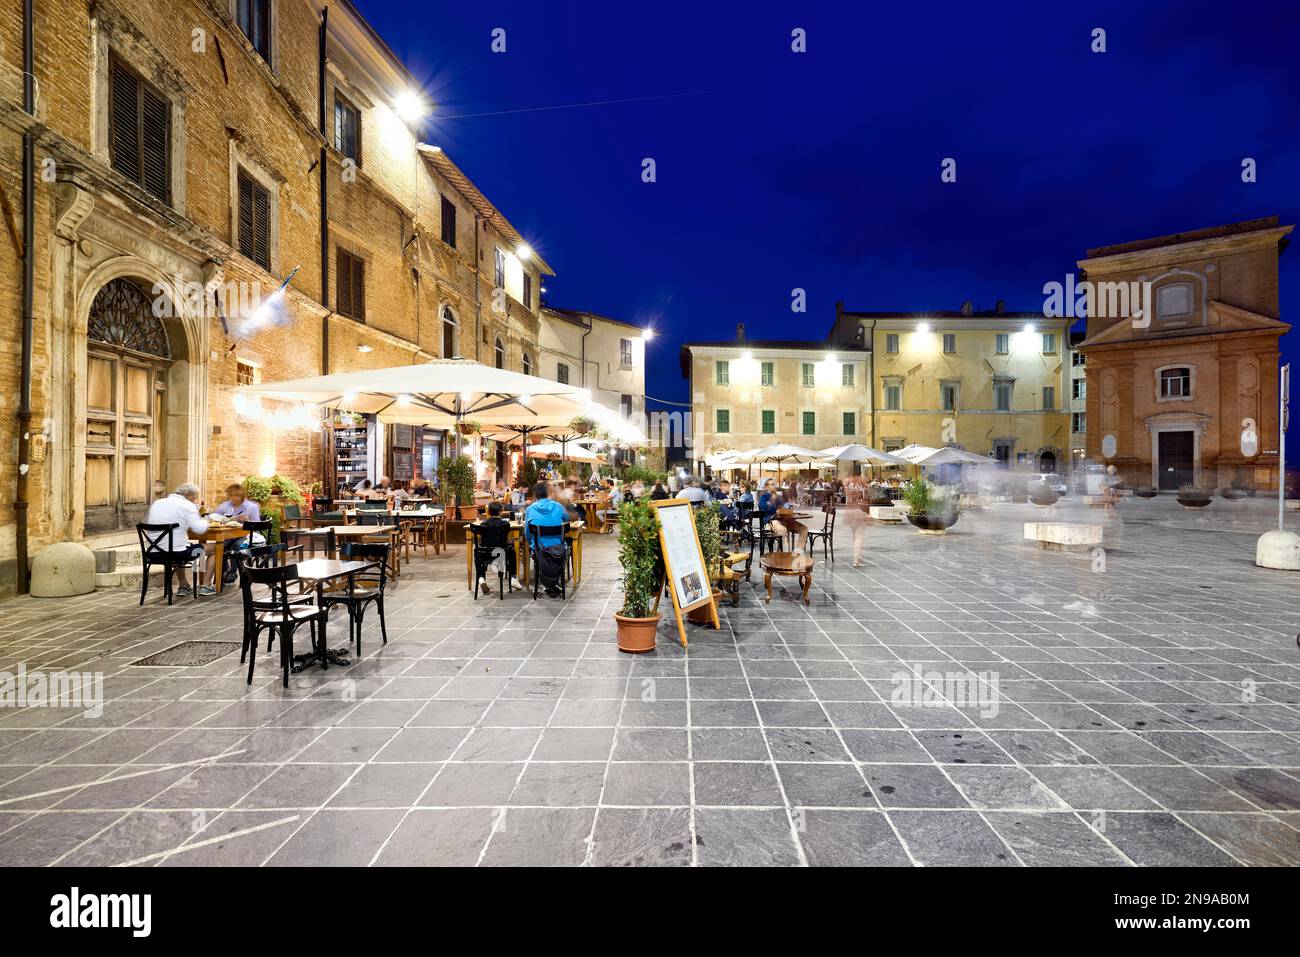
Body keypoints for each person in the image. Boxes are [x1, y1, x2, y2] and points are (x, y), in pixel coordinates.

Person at [145, 483, 216, 596]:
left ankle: (184, 585)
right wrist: (207, 521)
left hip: (153, 553)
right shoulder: (187, 505)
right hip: (176, 554)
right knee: (215, 549)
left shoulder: (157, 503)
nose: (195, 501)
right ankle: (206, 585)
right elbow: (199, 529)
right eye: (194, 498)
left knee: (180, 545)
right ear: (189, 495)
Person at [524, 483, 569, 597]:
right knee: (567, 549)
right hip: (558, 548)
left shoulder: (530, 509)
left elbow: (527, 533)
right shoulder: (558, 506)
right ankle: (555, 580)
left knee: (536, 550)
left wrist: (532, 544)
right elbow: (567, 518)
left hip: (539, 549)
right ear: (549, 493)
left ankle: (547, 582)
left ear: (535, 495)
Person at [476, 502, 521, 593]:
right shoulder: (505, 524)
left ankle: (481, 577)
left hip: (485, 554)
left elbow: (481, 539)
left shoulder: (483, 524)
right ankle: (513, 577)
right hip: (501, 553)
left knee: (477, 552)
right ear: (501, 511)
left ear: (488, 511)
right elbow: (506, 538)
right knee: (512, 550)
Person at [212, 482, 265, 547]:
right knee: (217, 544)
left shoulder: (252, 507)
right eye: (231, 495)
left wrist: (248, 522)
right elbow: (213, 517)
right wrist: (229, 519)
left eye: (236, 495)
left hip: (248, 534)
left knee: (237, 545)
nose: (233, 498)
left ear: (242, 495)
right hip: (230, 534)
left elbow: (258, 527)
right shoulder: (226, 505)